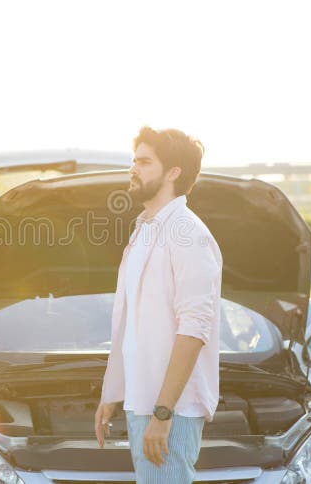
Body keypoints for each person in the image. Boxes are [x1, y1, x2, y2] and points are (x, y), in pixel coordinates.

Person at [94, 127, 223, 483]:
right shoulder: (144, 230)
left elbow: (194, 329)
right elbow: (131, 327)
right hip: (142, 401)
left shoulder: (187, 233)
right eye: (133, 161)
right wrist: (113, 393)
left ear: (173, 172)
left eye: (144, 162)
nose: (133, 169)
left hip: (171, 410)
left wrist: (163, 414)